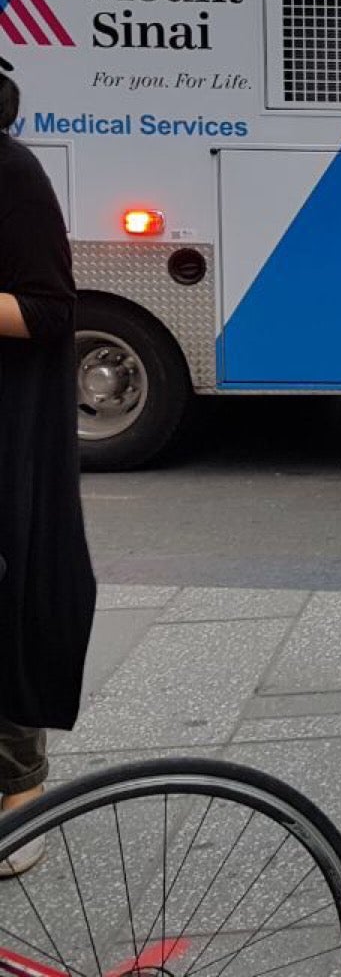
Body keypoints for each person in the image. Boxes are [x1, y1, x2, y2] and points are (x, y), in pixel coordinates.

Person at [1, 64, 96, 877]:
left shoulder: (12, 171)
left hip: (3, 430)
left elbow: (50, 309)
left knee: (8, 598)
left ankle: (20, 791)